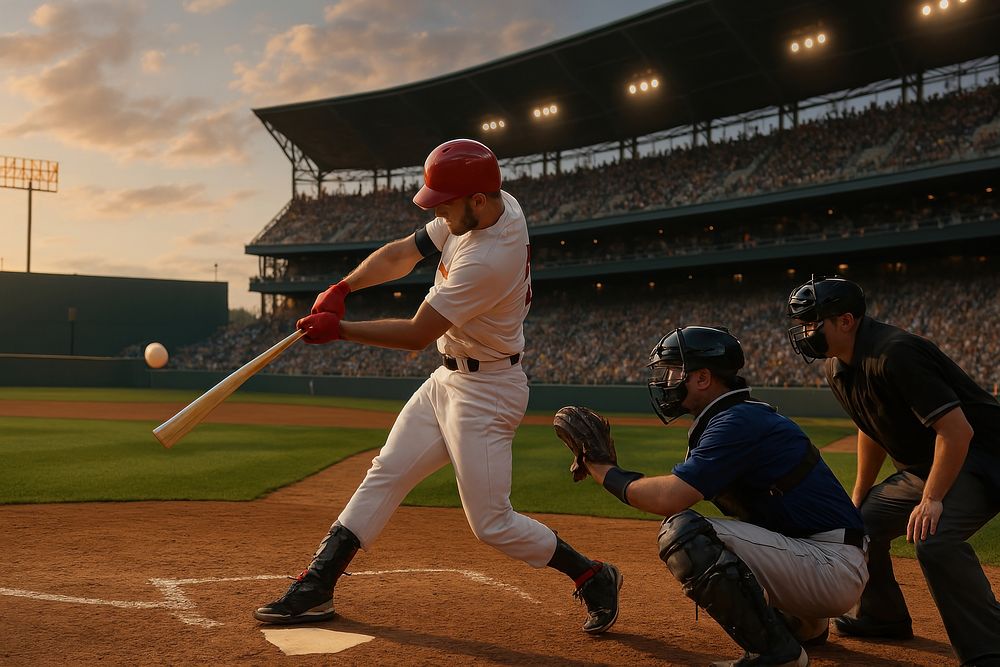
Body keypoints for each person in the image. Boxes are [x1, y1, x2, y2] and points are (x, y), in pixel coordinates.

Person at [253, 139, 622, 634]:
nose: (438, 214)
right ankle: (318, 584)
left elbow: (416, 333)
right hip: (447, 377)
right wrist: (343, 287)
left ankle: (593, 575)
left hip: (488, 391)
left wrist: (339, 330)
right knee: (386, 471)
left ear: (477, 201)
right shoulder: (488, 206)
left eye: (445, 205)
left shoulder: (489, 258)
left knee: (491, 524)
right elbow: (404, 253)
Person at [579, 326, 868, 667]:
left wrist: (605, 471)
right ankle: (801, 622)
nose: (665, 381)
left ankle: (776, 654)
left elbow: (669, 498)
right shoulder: (734, 416)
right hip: (818, 557)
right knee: (703, 531)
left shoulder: (737, 421)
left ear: (703, 378)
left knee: (684, 533)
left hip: (829, 565)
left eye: (674, 371)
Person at [786, 276, 1000, 666]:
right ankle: (880, 617)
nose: (806, 332)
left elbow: (957, 432)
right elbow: (872, 428)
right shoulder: (837, 367)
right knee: (861, 523)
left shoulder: (895, 353)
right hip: (931, 465)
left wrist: (932, 499)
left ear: (846, 321)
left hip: (983, 460)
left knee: (935, 539)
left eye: (813, 322)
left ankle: (990, 646)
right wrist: (858, 497)